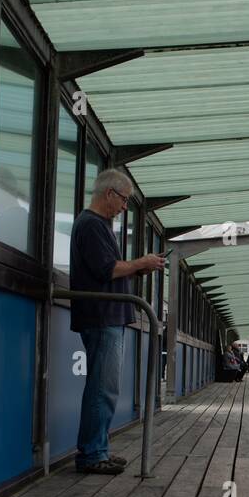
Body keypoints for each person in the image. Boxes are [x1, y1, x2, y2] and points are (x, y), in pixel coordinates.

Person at [70, 168, 164, 475]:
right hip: (101, 317)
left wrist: (138, 269)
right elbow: (106, 269)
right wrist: (141, 263)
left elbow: (110, 269)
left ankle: (98, 449)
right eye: (124, 200)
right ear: (110, 193)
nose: (125, 207)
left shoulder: (99, 225)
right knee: (102, 387)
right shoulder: (91, 225)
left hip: (107, 316)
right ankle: (92, 454)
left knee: (104, 387)